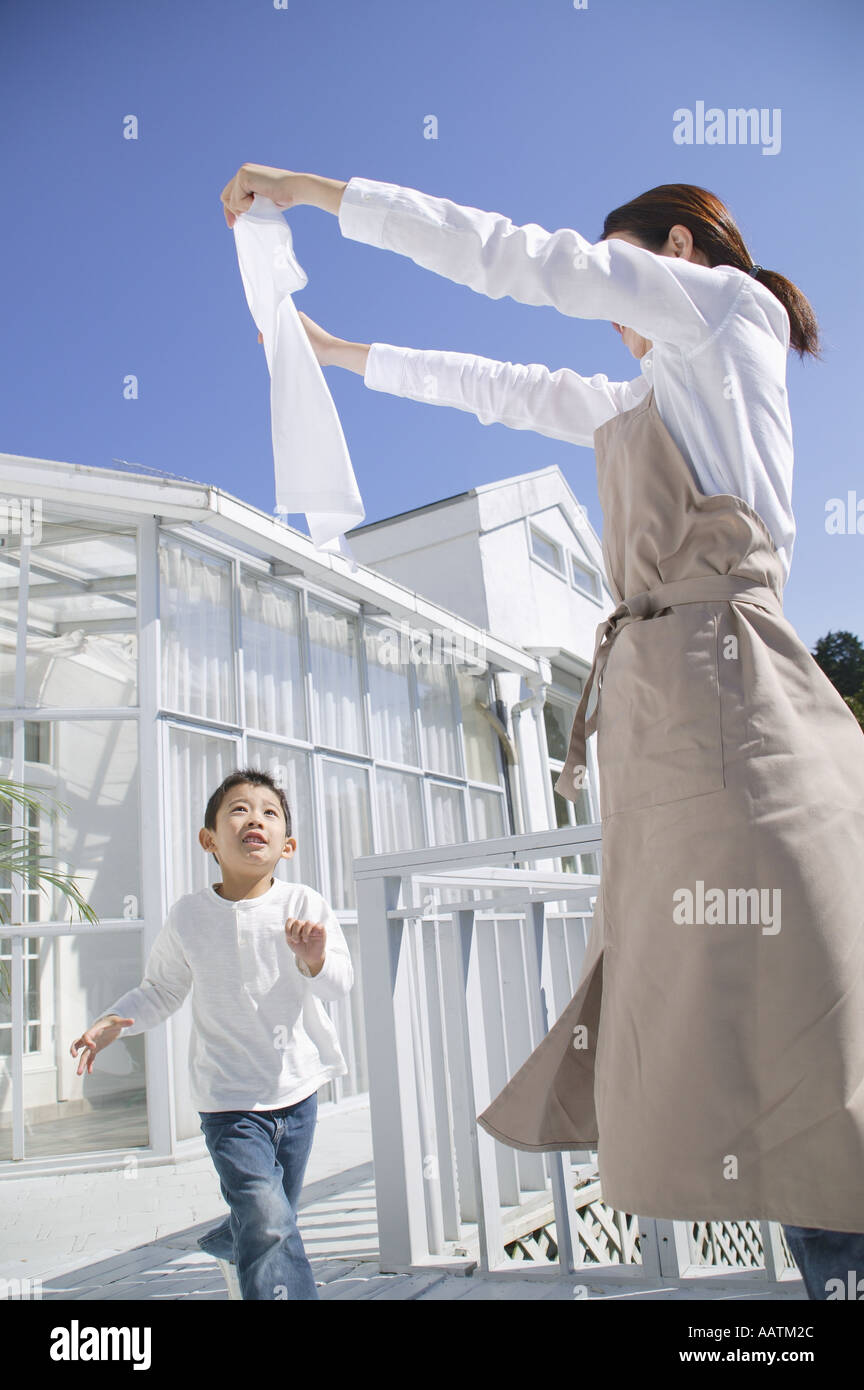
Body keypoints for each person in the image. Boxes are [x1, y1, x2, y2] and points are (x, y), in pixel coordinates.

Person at [220, 163, 864, 1300]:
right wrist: (342, 358)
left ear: (677, 249)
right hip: (670, 727)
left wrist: (316, 194)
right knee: (727, 1031)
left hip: (737, 706)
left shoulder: (729, 311)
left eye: (623, 278)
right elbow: (500, 385)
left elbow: (519, 257)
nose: (616, 314)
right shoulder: (645, 400)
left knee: (796, 1024)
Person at [70, 768, 353, 1301]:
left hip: (296, 1092)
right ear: (210, 840)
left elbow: (340, 984)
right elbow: (161, 990)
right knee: (270, 1219)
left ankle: (234, 1236)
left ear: (286, 844)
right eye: (240, 810)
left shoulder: (304, 905)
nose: (256, 819)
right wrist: (115, 1020)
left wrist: (314, 960)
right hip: (228, 1100)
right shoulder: (189, 916)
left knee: (273, 1214)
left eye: (270, 813)